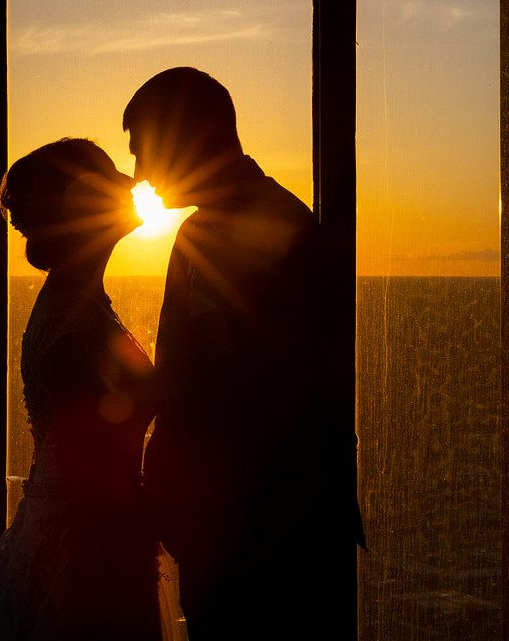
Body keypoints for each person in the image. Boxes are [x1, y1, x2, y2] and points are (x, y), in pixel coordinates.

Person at [124, 67, 366, 639]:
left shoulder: (281, 229)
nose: (139, 176)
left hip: (271, 540)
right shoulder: (201, 234)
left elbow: (270, 396)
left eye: (143, 153)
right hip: (231, 534)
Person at [0, 137, 184, 641]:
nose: (130, 183)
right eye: (108, 175)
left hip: (78, 535)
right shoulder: (76, 327)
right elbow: (96, 466)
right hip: (87, 552)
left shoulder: (76, 303)